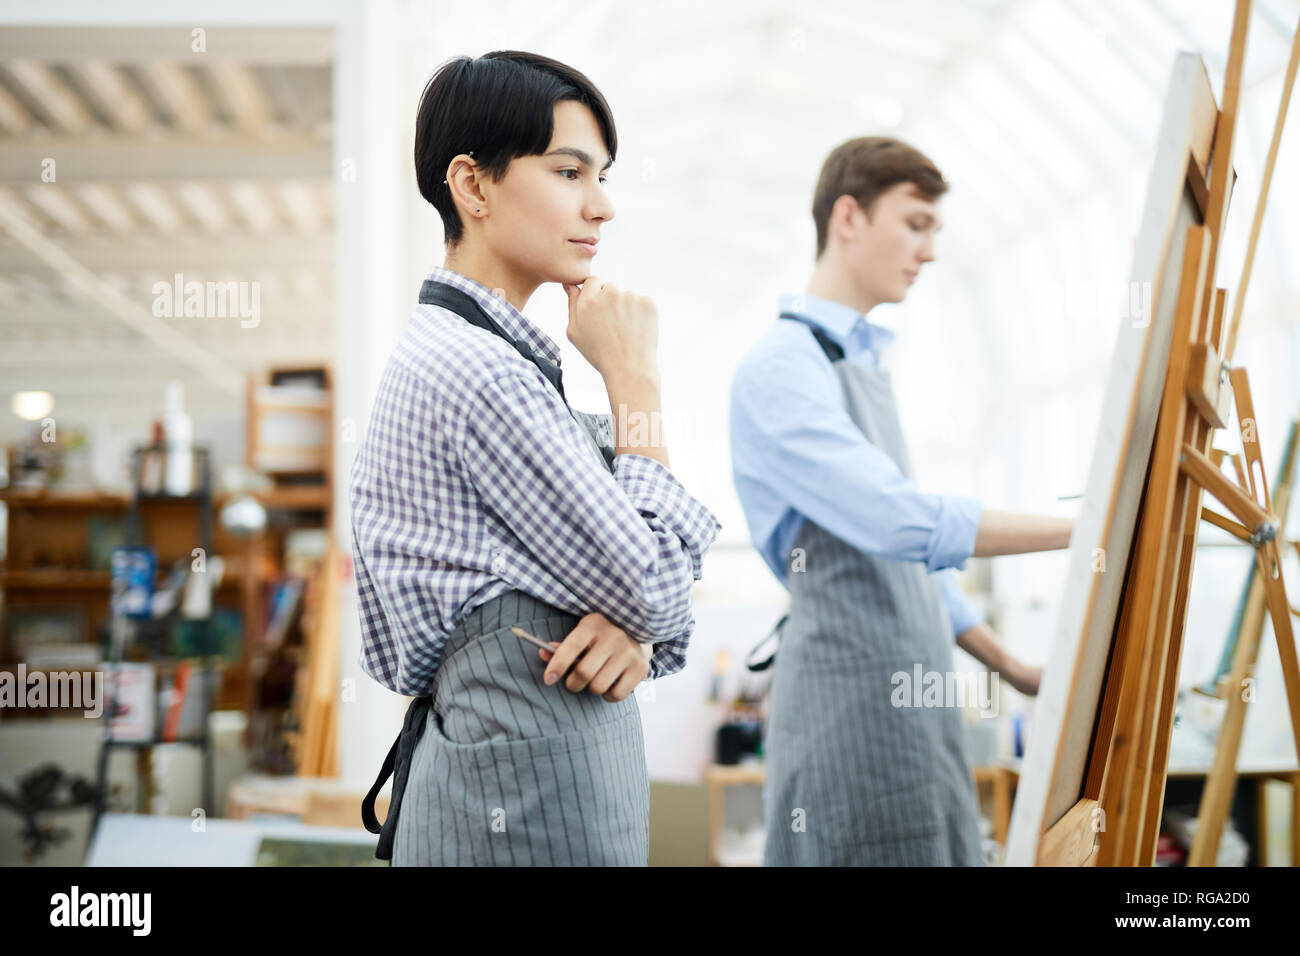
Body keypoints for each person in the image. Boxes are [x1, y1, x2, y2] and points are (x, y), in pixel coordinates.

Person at [353, 50, 721, 866]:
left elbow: (653, 601)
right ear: (472, 186)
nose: (602, 206)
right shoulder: (480, 375)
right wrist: (637, 383)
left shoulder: (486, 357)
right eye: (569, 172)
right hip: (521, 804)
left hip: (526, 786)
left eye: (604, 176)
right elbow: (660, 584)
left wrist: (638, 632)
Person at [729, 136, 1073, 866]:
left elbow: (918, 571)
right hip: (849, 708)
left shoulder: (859, 361)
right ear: (848, 217)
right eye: (915, 223)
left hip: (915, 703)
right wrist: (1090, 527)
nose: (930, 250)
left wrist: (1011, 669)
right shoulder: (782, 369)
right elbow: (900, 522)